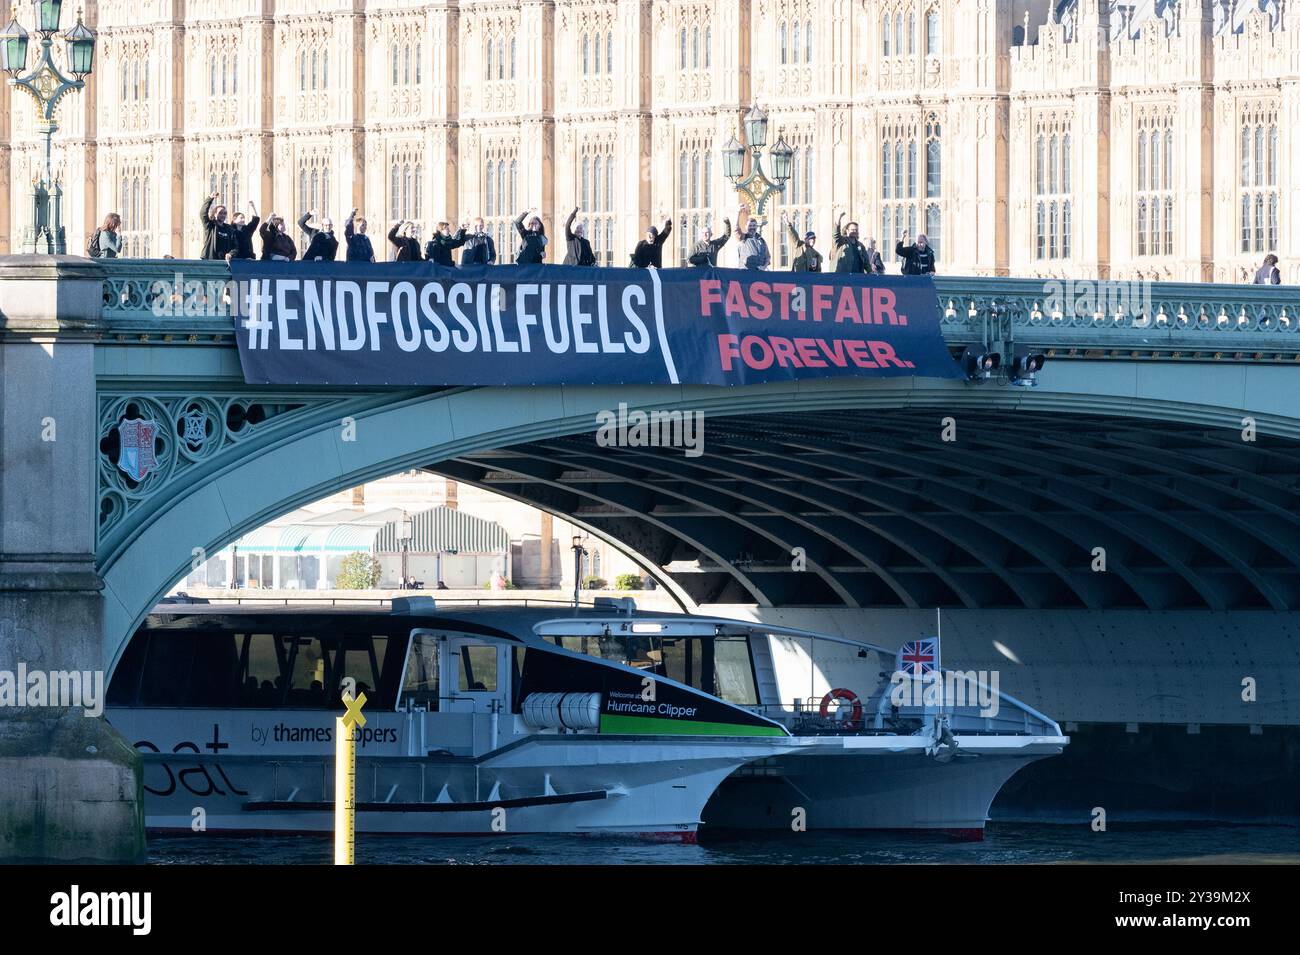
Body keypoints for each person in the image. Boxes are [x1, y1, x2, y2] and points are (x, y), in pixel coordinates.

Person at [199, 192, 237, 260]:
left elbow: (235, 246)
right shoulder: (210, 226)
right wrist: (210, 199)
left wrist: (231, 254)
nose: (223, 215)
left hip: (224, 262)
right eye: (220, 213)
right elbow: (203, 213)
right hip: (210, 260)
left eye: (225, 213)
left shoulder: (229, 228)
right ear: (215, 214)